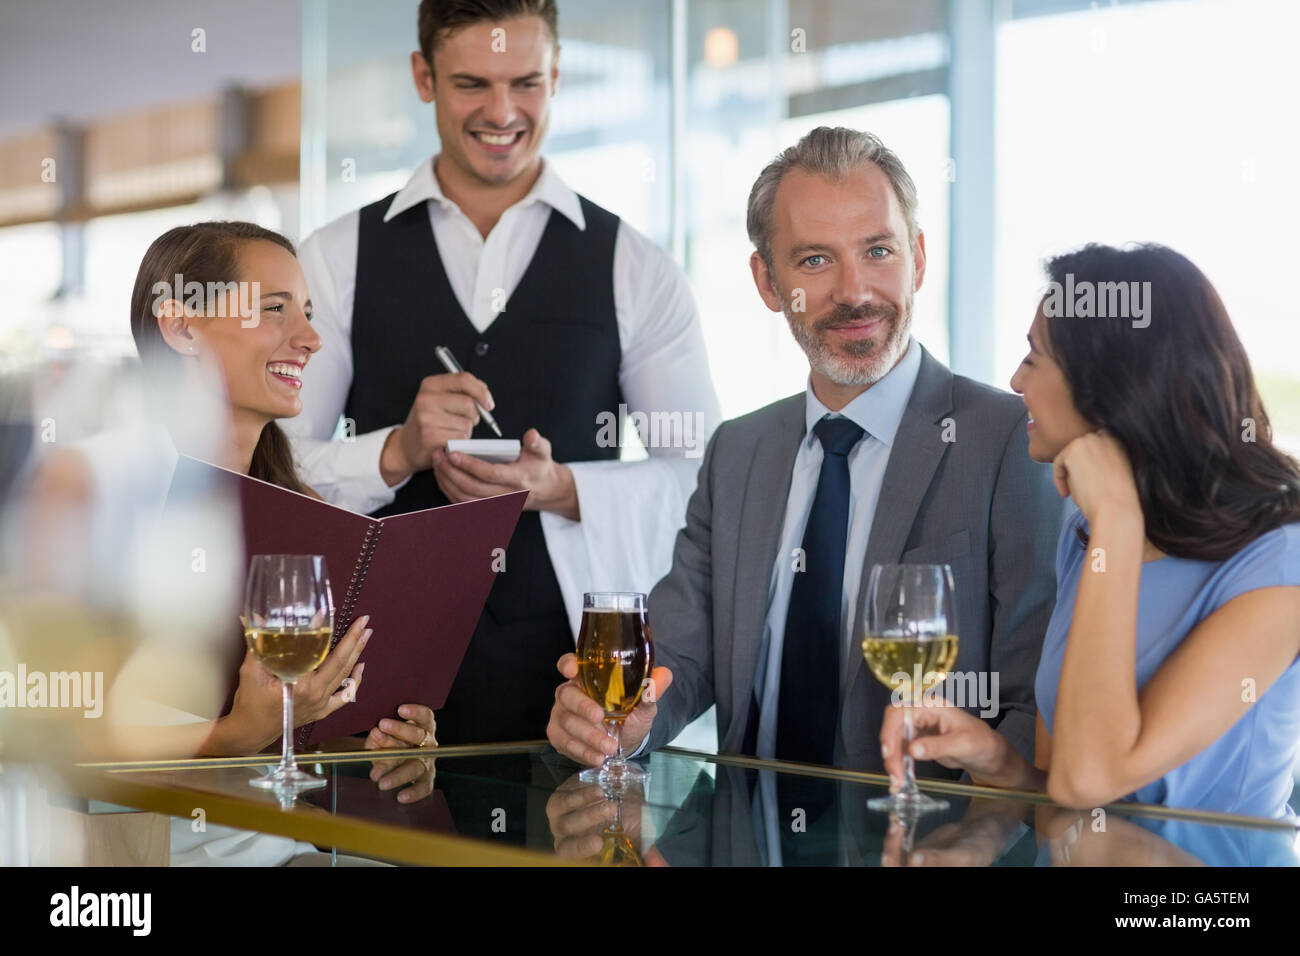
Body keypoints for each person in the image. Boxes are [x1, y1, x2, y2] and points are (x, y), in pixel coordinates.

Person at [547, 126, 1063, 780]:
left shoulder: (1007, 441)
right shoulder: (738, 451)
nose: (855, 291)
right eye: (816, 260)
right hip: (740, 839)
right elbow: (682, 658)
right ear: (766, 281)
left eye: (878, 251)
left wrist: (976, 831)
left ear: (919, 260)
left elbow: (1034, 706)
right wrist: (619, 722)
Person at [284, 0, 719, 744]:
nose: (502, 111)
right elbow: (275, 472)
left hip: (568, 689)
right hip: (377, 683)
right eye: (471, 84)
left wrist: (565, 488)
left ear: (556, 75)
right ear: (423, 77)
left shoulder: (634, 266)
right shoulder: (334, 257)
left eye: (525, 82)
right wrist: (393, 454)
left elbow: (706, 481)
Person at [878, 243, 1300, 820]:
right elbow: (1063, 784)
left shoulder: (1279, 557)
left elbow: (1088, 781)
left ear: (1111, 386)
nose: (1014, 379)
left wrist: (1119, 524)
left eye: (1034, 357)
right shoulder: (1086, 530)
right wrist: (997, 758)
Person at [22, 221, 436, 759]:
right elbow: (52, 733)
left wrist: (377, 743)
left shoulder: (301, 509)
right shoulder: (89, 486)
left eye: (308, 314)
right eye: (274, 309)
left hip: (285, 836)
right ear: (182, 329)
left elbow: (292, 735)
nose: (311, 340)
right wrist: (239, 732)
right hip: (142, 841)